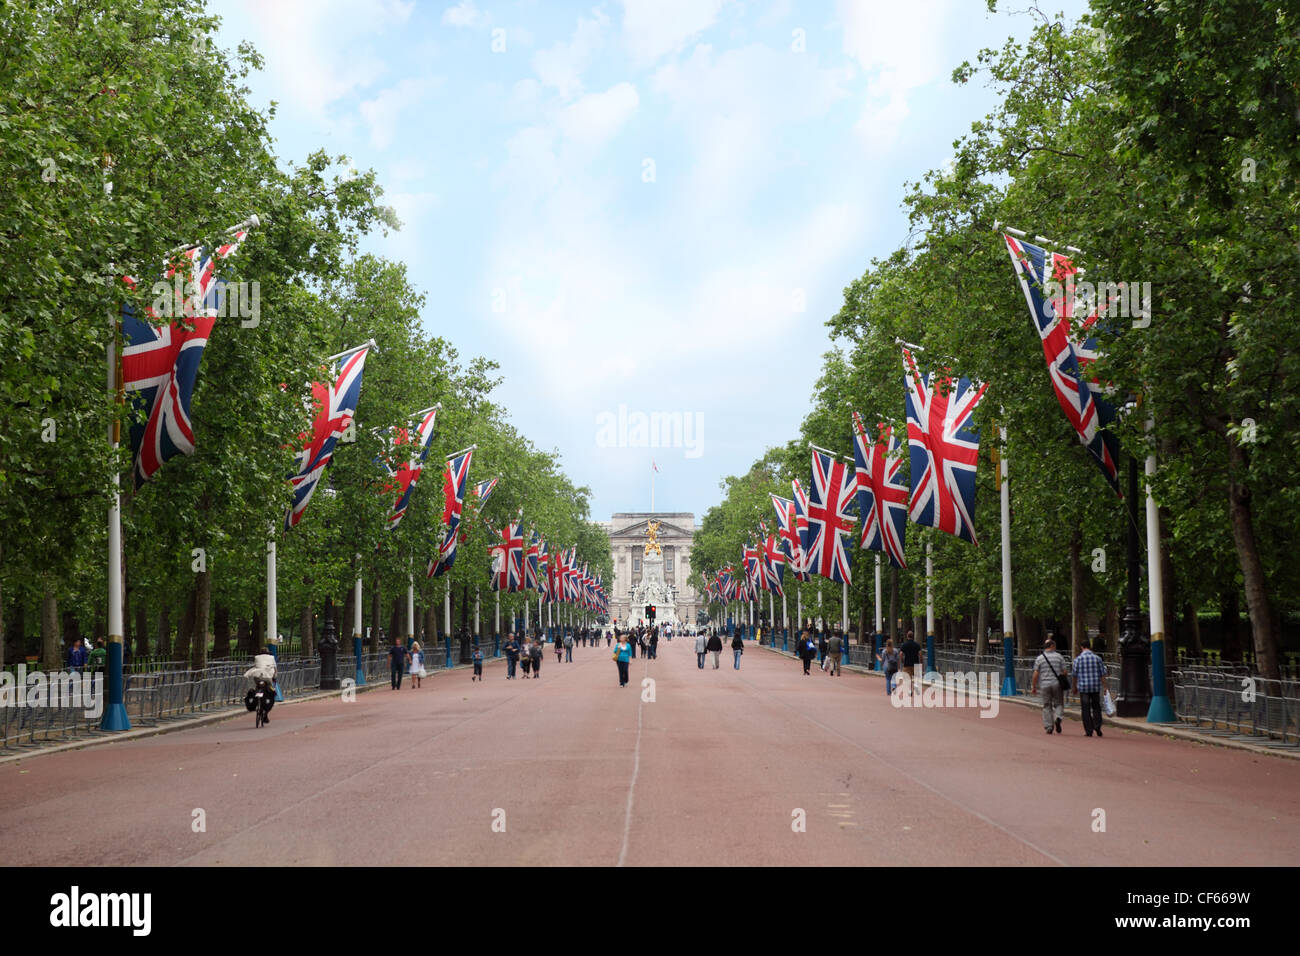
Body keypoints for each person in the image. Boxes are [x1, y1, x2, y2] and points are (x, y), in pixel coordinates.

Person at [1031, 637, 1070, 734]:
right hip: (1057, 684)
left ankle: (1049, 726)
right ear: (1052, 646)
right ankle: (1058, 717)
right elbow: (1065, 671)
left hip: (1044, 684)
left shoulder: (1039, 658)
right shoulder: (1059, 657)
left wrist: (1034, 686)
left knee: (1046, 705)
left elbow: (1036, 673)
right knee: (1059, 703)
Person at [1072, 637, 1108, 737]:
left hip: (1083, 687)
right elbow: (1102, 674)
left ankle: (1089, 730)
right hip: (1095, 686)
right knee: (1096, 706)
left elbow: (1074, 675)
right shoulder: (1097, 658)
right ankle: (1097, 725)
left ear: (1081, 647)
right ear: (1090, 646)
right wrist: (1105, 687)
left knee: (1085, 708)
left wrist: (1074, 687)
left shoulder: (1077, 660)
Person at [899, 630, 922, 696]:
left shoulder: (904, 645)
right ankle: (916, 685)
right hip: (916, 663)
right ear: (913, 636)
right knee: (916, 677)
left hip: (907, 664)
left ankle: (909, 691)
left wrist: (902, 660)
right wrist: (921, 661)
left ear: (907, 636)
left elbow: (900, 654)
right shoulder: (917, 645)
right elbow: (920, 654)